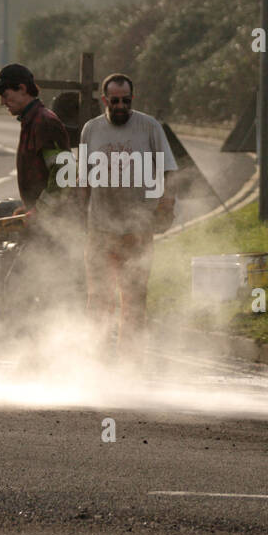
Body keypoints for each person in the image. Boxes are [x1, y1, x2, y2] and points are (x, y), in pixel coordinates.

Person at [80, 73, 177, 352]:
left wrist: (166, 206)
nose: (121, 106)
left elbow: (168, 171)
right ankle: (95, 358)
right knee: (98, 298)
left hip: (137, 231)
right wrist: (77, 215)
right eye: (115, 101)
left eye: (126, 100)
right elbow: (83, 179)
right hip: (99, 229)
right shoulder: (91, 130)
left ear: (132, 99)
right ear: (104, 100)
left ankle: (130, 361)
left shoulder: (149, 128)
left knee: (134, 299)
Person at [0, 64, 71, 213]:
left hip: (55, 221)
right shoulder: (31, 122)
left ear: (23, 89)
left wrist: (39, 211)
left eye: (5, 95)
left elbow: (64, 174)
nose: (2, 102)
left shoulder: (44, 122)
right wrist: (29, 210)